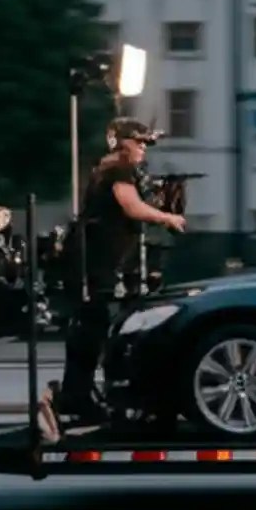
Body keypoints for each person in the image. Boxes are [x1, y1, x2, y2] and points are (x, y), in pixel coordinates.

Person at [57, 117, 185, 423]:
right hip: (97, 265)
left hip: (99, 264)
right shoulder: (117, 169)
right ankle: (81, 398)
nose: (143, 148)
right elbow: (130, 206)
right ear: (119, 141)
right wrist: (167, 218)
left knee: (94, 329)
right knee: (98, 328)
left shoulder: (110, 169)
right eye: (138, 142)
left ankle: (81, 396)